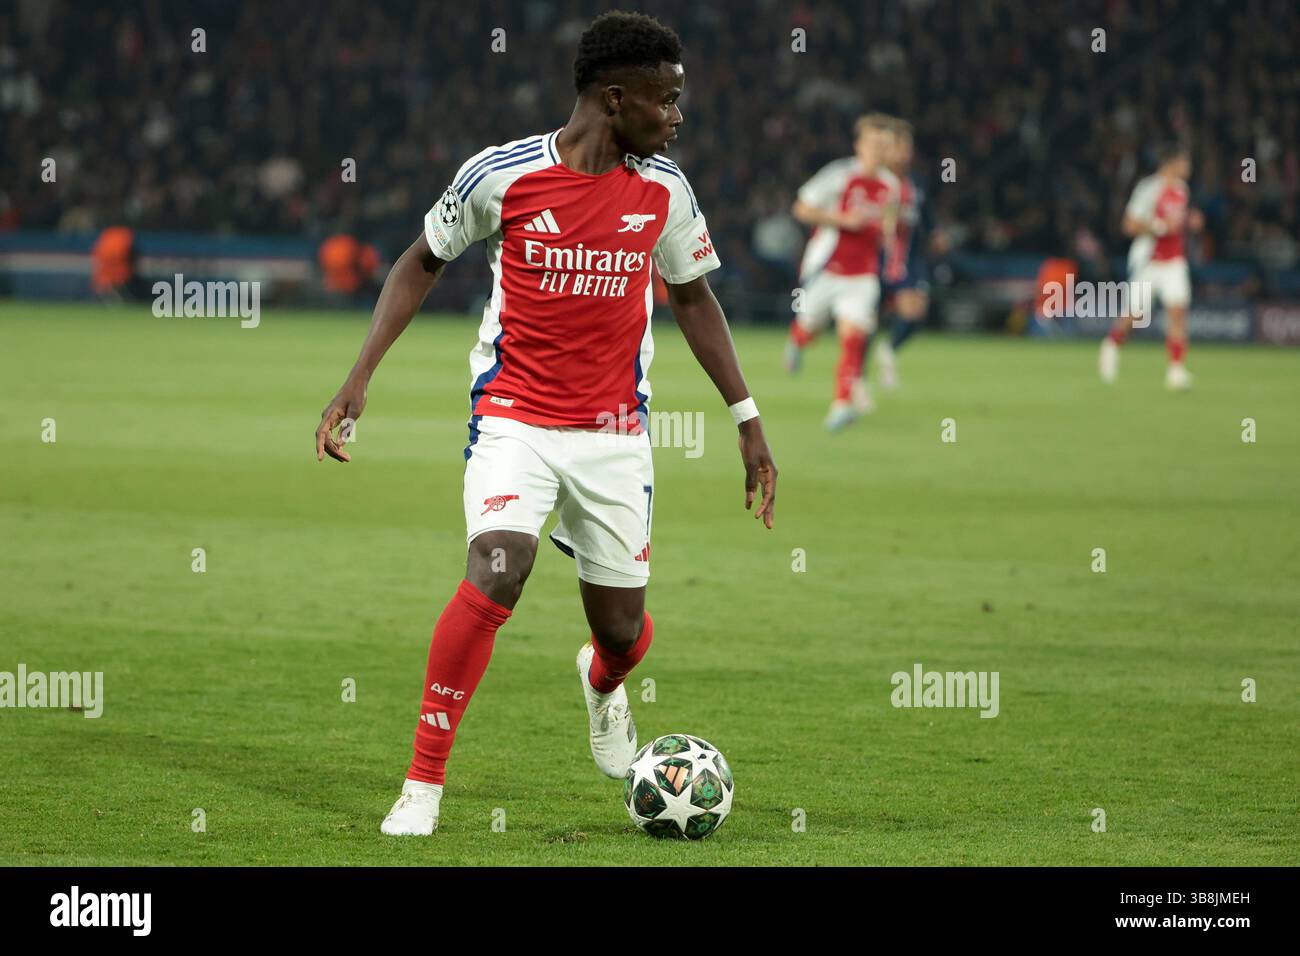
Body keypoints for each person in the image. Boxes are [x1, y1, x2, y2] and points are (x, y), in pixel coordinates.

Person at [314, 11, 778, 837]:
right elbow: (420, 261)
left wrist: (746, 419)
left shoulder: (665, 191)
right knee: (498, 567)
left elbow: (694, 296)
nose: (677, 116)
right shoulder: (502, 175)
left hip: (612, 436)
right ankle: (422, 785)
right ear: (614, 97)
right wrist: (358, 379)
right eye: (665, 100)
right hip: (513, 420)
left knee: (625, 633)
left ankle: (602, 683)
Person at [784, 114, 899, 430]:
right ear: (859, 145)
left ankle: (841, 404)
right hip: (827, 270)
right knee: (811, 329)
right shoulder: (839, 175)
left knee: (853, 338)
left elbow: (888, 225)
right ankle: (797, 340)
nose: (879, 150)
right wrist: (842, 220)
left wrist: (887, 237)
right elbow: (801, 208)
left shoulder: (891, 185)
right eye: (874, 143)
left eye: (884, 145)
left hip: (862, 277)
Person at [1099, 145, 1205, 389]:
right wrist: (1159, 227)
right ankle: (1111, 345)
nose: (1188, 167)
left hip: (1174, 261)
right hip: (1149, 261)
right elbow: (1129, 225)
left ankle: (1176, 371)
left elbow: (1178, 223)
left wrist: (1191, 221)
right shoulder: (1149, 188)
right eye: (1184, 161)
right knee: (1135, 316)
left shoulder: (1182, 190)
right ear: (1171, 162)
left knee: (1177, 312)